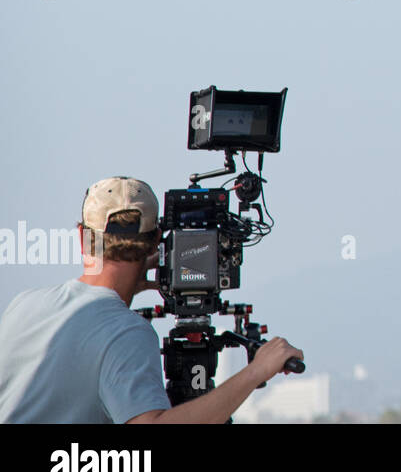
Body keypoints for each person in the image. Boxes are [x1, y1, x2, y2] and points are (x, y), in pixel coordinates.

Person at [0, 176, 303, 423]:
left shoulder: (23, 305)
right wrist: (256, 372)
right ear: (157, 241)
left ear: (82, 237)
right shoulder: (126, 331)